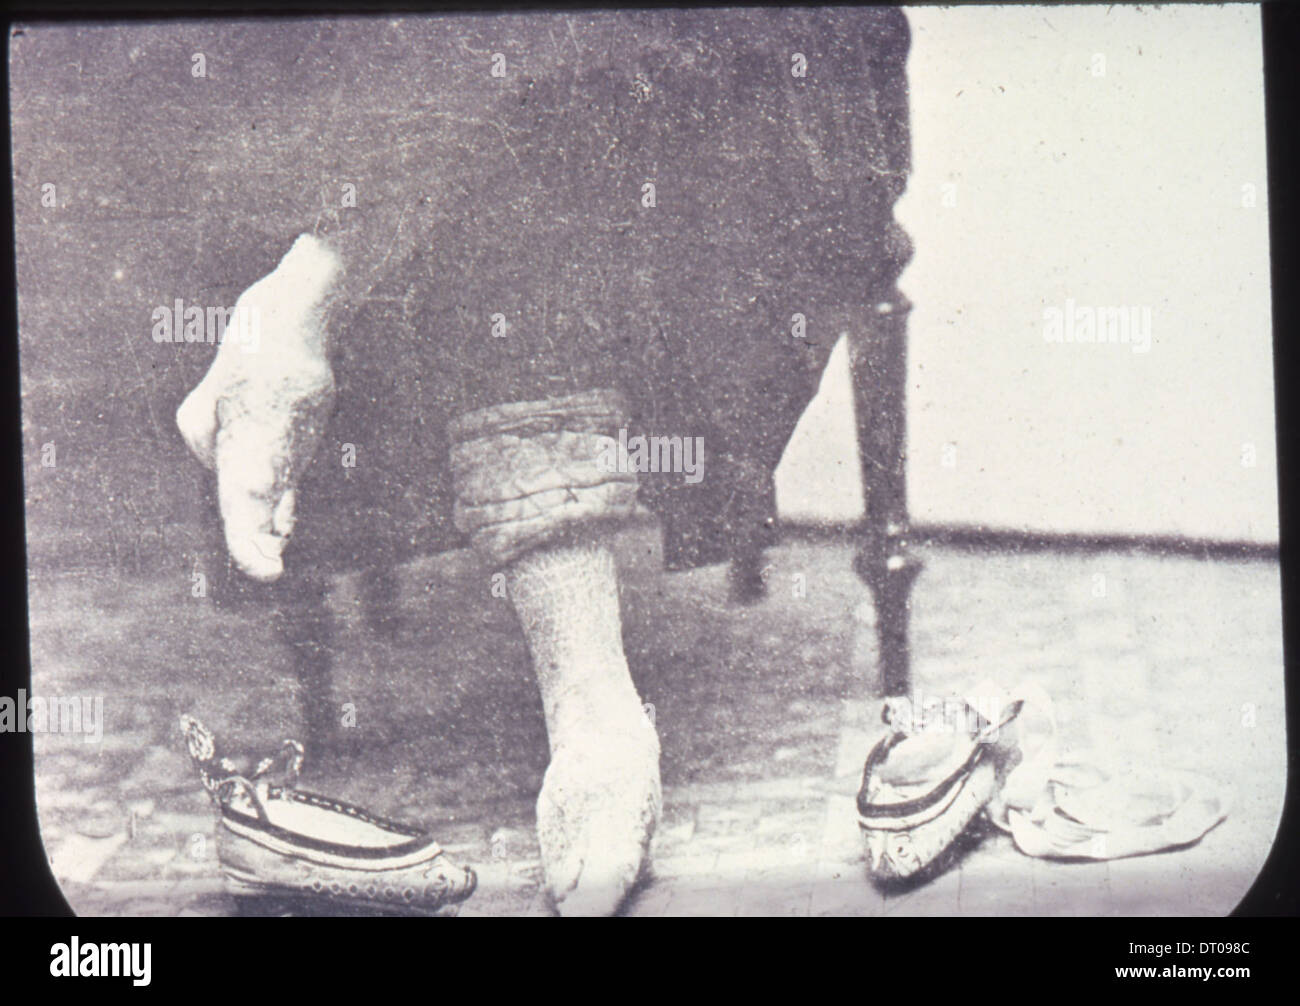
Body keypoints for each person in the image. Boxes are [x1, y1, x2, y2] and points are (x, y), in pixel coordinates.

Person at [176, 7, 913, 916]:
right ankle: (592, 697)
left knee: (557, 79)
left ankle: (302, 299)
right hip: (479, 102)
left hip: (749, 96)